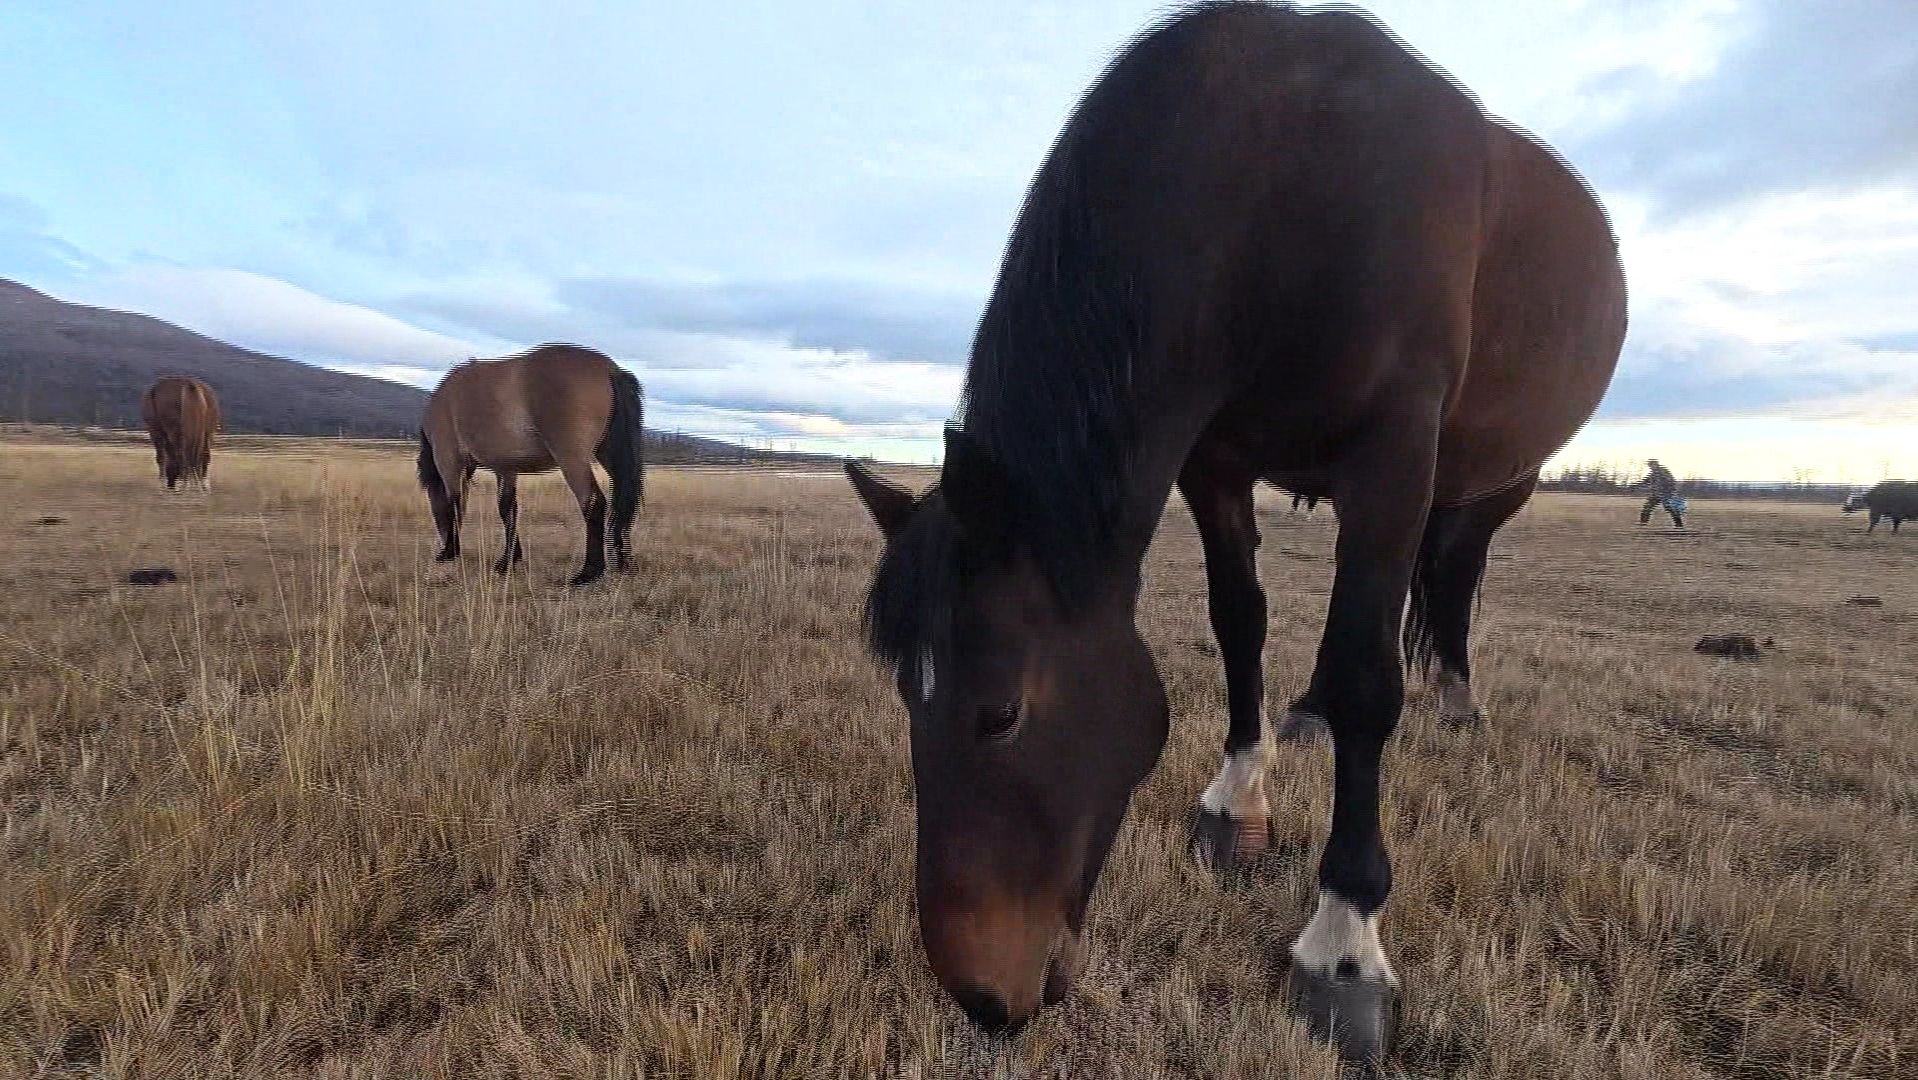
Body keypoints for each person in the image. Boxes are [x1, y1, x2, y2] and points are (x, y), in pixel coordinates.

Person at [1630, 458, 1685, 527]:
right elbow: (1645, 481)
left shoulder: (1663, 471)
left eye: (1651, 465)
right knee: (1647, 507)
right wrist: (1635, 486)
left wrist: (1669, 490)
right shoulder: (1653, 473)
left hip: (1665, 494)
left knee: (1670, 509)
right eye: (1649, 465)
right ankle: (1643, 523)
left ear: (1655, 464)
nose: (1650, 467)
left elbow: (1671, 481)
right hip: (1656, 494)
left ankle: (1679, 524)